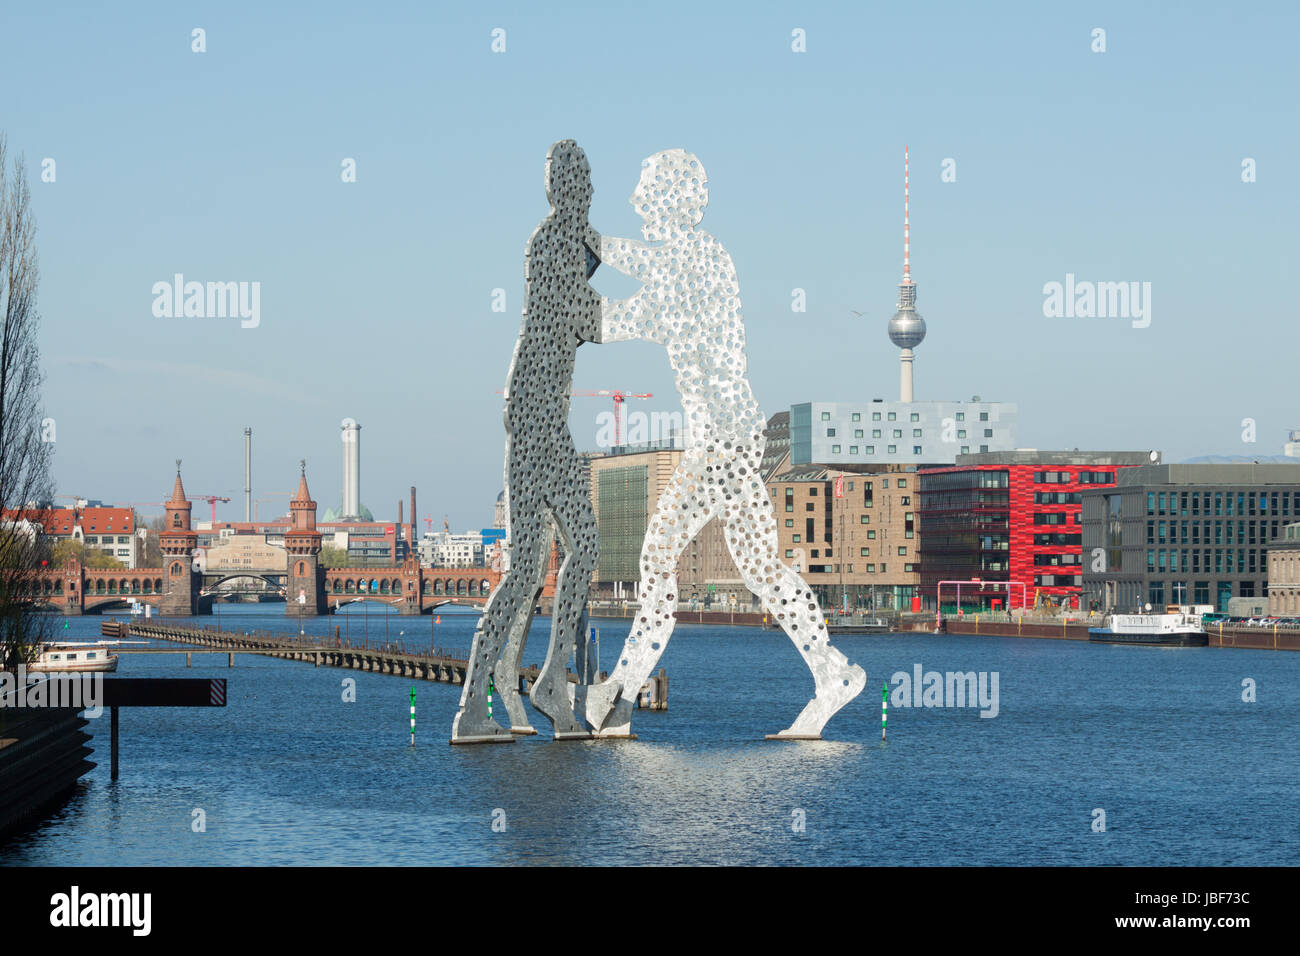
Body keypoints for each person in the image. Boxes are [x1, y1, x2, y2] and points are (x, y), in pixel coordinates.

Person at [584, 149, 866, 740]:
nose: (637, 202)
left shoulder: (695, 260)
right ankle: (831, 670)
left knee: (658, 560)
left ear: (674, 199)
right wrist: (593, 244)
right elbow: (644, 274)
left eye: (646, 191)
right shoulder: (698, 257)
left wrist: (570, 284)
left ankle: (619, 692)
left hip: (719, 442)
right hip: (736, 435)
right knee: (761, 567)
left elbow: (622, 317)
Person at [450, 140, 602, 744]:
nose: (582, 191)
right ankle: (493, 698)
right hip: (537, 418)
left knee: (548, 561)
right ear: (564, 188)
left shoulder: (564, 239)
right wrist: (663, 312)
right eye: (578, 181)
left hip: (542, 417)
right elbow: (587, 320)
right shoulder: (556, 241)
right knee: (533, 568)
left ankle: (510, 692)